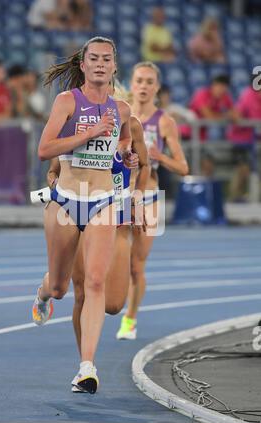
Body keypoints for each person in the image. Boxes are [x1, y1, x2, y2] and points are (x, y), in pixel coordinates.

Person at [31, 36, 138, 394]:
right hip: (64, 202)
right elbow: (44, 149)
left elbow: (122, 144)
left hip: (103, 202)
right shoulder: (66, 102)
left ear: (113, 66)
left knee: (94, 282)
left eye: (106, 59)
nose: (100, 64)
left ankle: (87, 367)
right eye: (93, 58)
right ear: (83, 64)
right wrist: (88, 133)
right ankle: (43, 292)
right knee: (62, 288)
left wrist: (127, 156)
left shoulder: (122, 110)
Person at [44, 82, 149, 392]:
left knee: (114, 303)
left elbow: (141, 163)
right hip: (78, 206)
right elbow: (52, 169)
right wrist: (56, 186)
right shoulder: (73, 116)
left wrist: (137, 197)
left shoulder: (129, 122)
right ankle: (86, 365)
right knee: (77, 289)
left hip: (115, 214)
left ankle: (87, 362)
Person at [116, 62, 189, 340]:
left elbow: (183, 167)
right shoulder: (120, 112)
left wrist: (159, 157)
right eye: (139, 81)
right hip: (121, 193)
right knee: (113, 256)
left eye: (149, 82)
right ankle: (108, 299)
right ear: (132, 84)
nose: (144, 86)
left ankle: (130, 319)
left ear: (157, 87)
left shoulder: (164, 122)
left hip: (149, 196)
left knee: (137, 265)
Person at [228, 83, 261, 201]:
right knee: (243, 171)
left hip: (256, 143)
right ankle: (235, 199)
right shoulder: (248, 95)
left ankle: (252, 199)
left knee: (252, 173)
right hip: (241, 141)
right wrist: (237, 116)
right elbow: (236, 114)